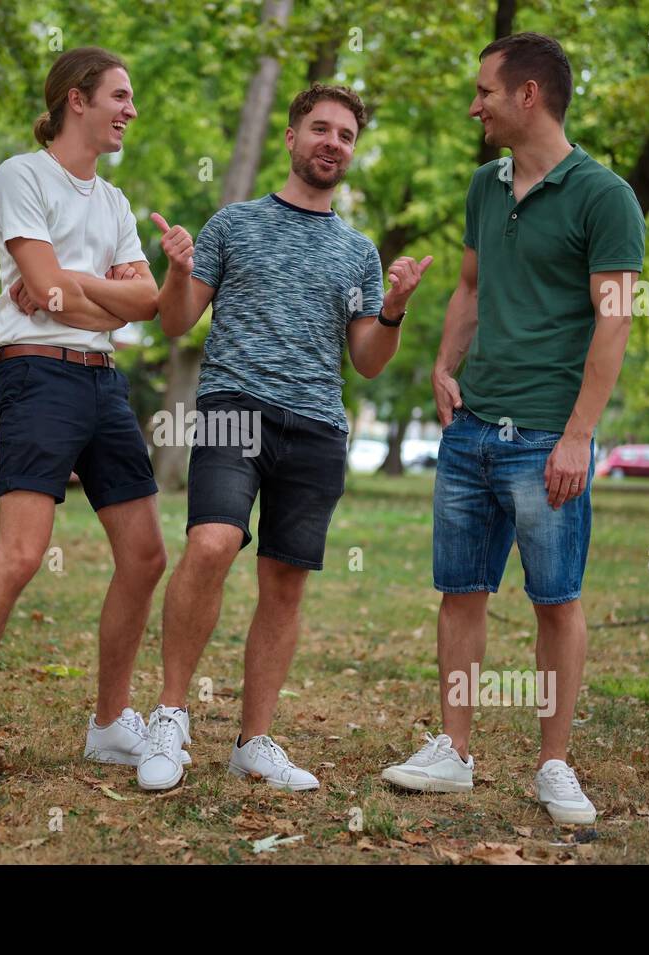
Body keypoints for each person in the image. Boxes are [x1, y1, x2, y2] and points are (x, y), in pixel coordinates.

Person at [380, 33, 645, 825]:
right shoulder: (483, 185)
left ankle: (553, 763)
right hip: (471, 431)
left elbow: (616, 323)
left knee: (555, 600)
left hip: (545, 437)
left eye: (485, 92)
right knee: (460, 593)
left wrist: (578, 435)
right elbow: (467, 286)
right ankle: (454, 753)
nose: (475, 106)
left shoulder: (605, 196)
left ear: (528, 95)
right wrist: (442, 363)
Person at [137, 84, 433, 792]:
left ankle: (255, 740)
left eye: (347, 136)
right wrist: (176, 271)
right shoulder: (232, 225)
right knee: (211, 543)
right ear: (293, 137)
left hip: (318, 427)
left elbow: (365, 359)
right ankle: (169, 718)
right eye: (321, 129)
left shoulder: (360, 252)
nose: (333, 143)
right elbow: (175, 323)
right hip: (235, 405)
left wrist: (391, 311)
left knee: (285, 582)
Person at [0, 47, 177, 794]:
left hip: (103, 382)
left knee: (147, 555)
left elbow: (145, 304)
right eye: (119, 96)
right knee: (21, 554)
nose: (130, 109)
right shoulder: (22, 175)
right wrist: (84, 292)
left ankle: (108, 723)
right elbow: (42, 289)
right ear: (75, 99)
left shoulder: (116, 202)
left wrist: (71, 285)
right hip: (36, 375)